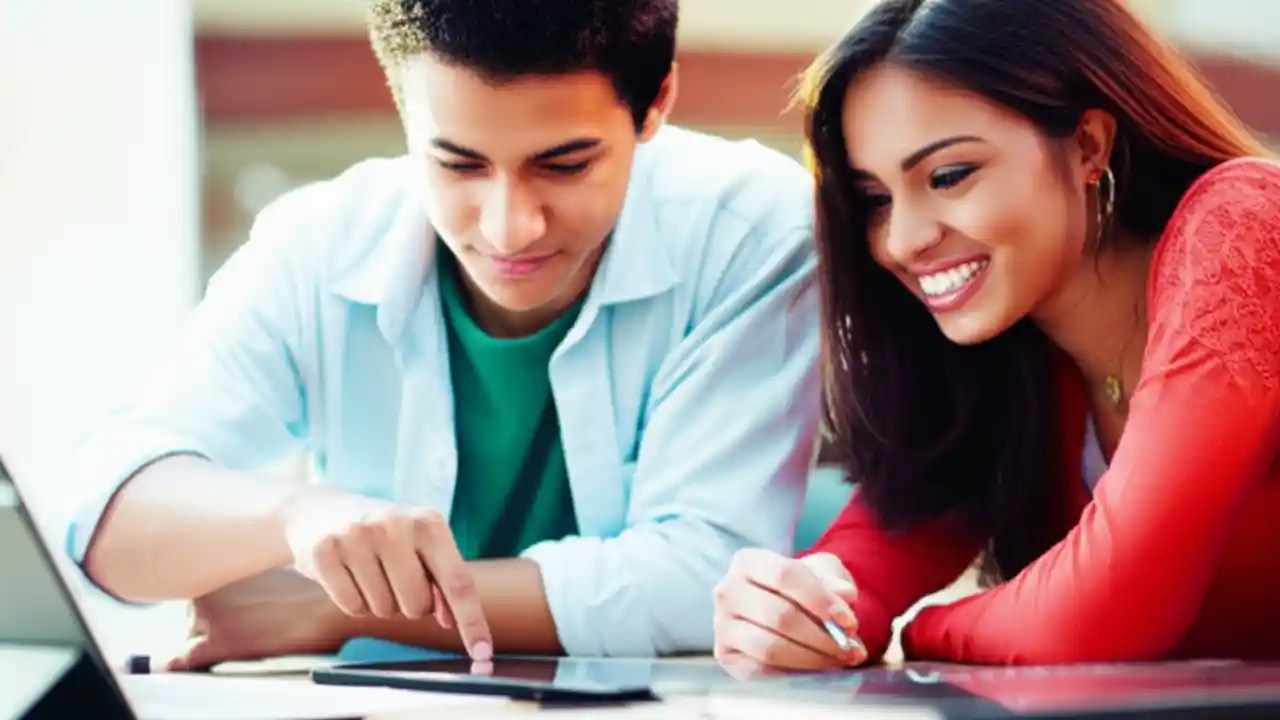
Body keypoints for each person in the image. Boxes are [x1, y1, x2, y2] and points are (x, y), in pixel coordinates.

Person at [67, 0, 821, 668]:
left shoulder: (751, 231)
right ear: (403, 111)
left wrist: (335, 607)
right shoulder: (318, 242)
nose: (508, 227)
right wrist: (302, 514)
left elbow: (708, 578)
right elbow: (103, 517)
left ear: (656, 104)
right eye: (458, 164)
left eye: (564, 165)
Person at [713, 0, 1280, 673]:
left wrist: (925, 632)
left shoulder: (1246, 226)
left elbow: (1096, 619)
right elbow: (858, 576)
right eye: (876, 200)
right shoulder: (1010, 356)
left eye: (949, 176)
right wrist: (784, 611)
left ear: (1088, 145)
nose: (903, 241)